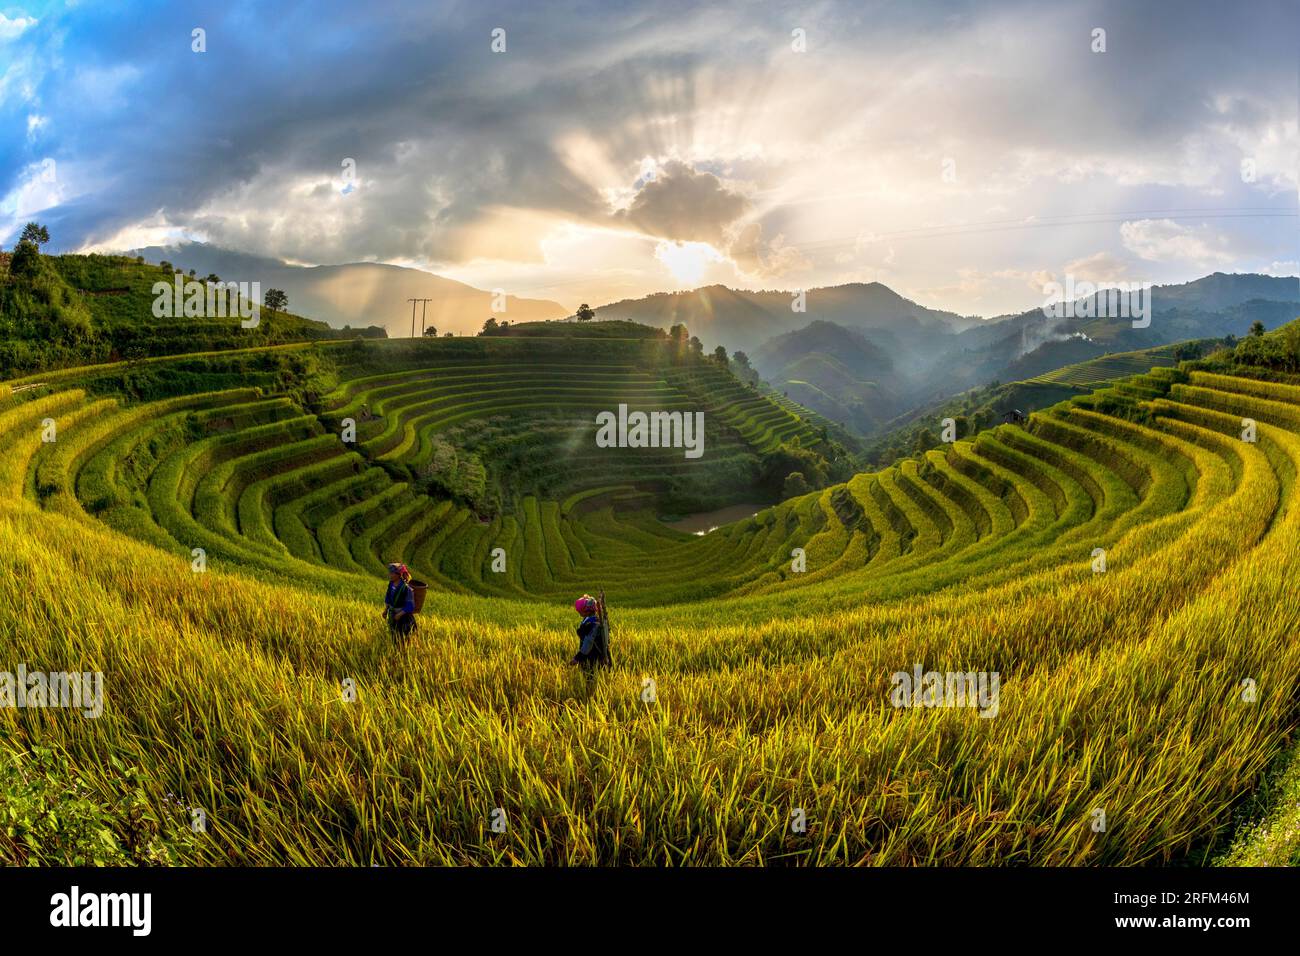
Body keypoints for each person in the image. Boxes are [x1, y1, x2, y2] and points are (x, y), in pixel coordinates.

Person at [569, 594, 609, 670]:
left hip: (593, 657)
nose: (579, 612)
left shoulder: (592, 625)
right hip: (596, 654)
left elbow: (588, 643)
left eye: (580, 611)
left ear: (587, 611)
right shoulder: (593, 620)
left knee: (590, 677)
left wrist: (577, 658)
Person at [383, 562, 416, 642]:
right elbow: (388, 597)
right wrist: (386, 610)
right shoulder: (391, 584)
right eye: (390, 573)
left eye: (392, 573)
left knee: (402, 637)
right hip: (393, 614)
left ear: (398, 575)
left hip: (403, 617)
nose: (390, 575)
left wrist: (399, 614)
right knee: (393, 635)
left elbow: (410, 605)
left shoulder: (406, 588)